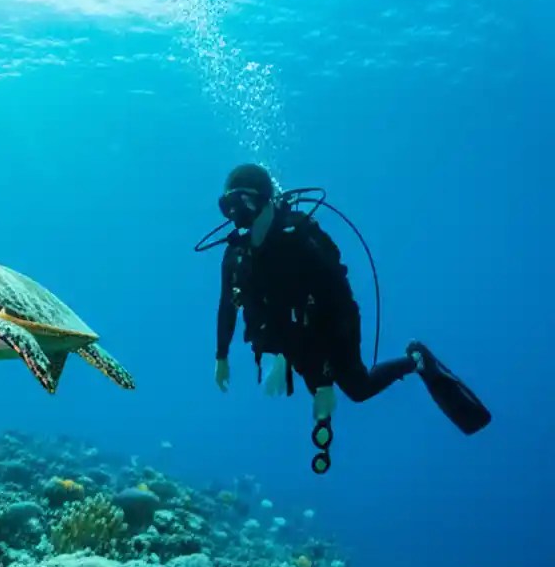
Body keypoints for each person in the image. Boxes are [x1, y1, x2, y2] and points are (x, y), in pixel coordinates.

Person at [208, 163, 491, 471]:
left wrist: (326, 380)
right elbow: (228, 304)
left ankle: (417, 360)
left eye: (243, 202)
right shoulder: (236, 255)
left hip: (334, 323)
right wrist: (221, 355)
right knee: (318, 387)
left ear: (264, 199)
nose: (236, 213)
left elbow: (334, 306)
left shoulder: (301, 241)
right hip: (292, 335)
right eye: (228, 205)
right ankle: (320, 376)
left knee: (357, 390)